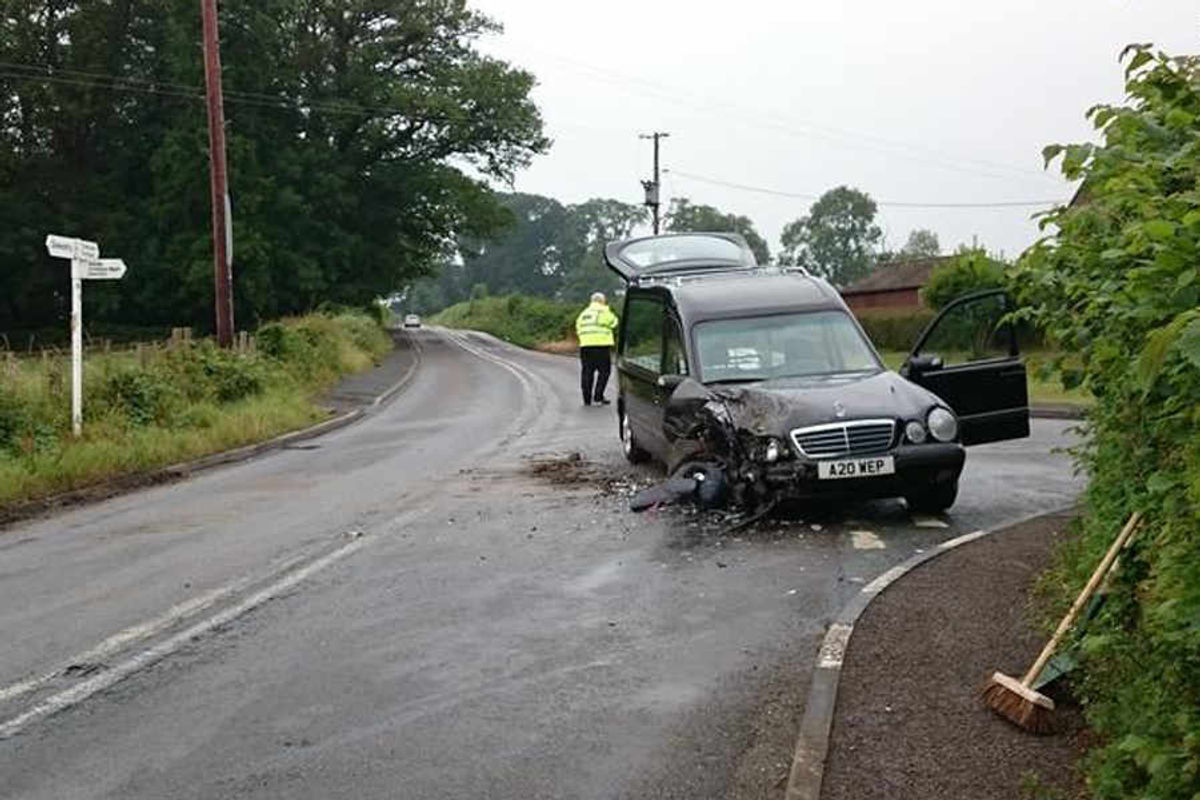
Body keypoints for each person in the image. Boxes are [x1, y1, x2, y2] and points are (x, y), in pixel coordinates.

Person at [575, 291, 618, 406]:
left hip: (585, 346)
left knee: (587, 372)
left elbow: (578, 328)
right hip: (601, 346)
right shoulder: (603, 310)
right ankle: (598, 396)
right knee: (604, 371)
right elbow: (614, 323)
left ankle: (587, 399)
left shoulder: (583, 314)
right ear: (602, 301)